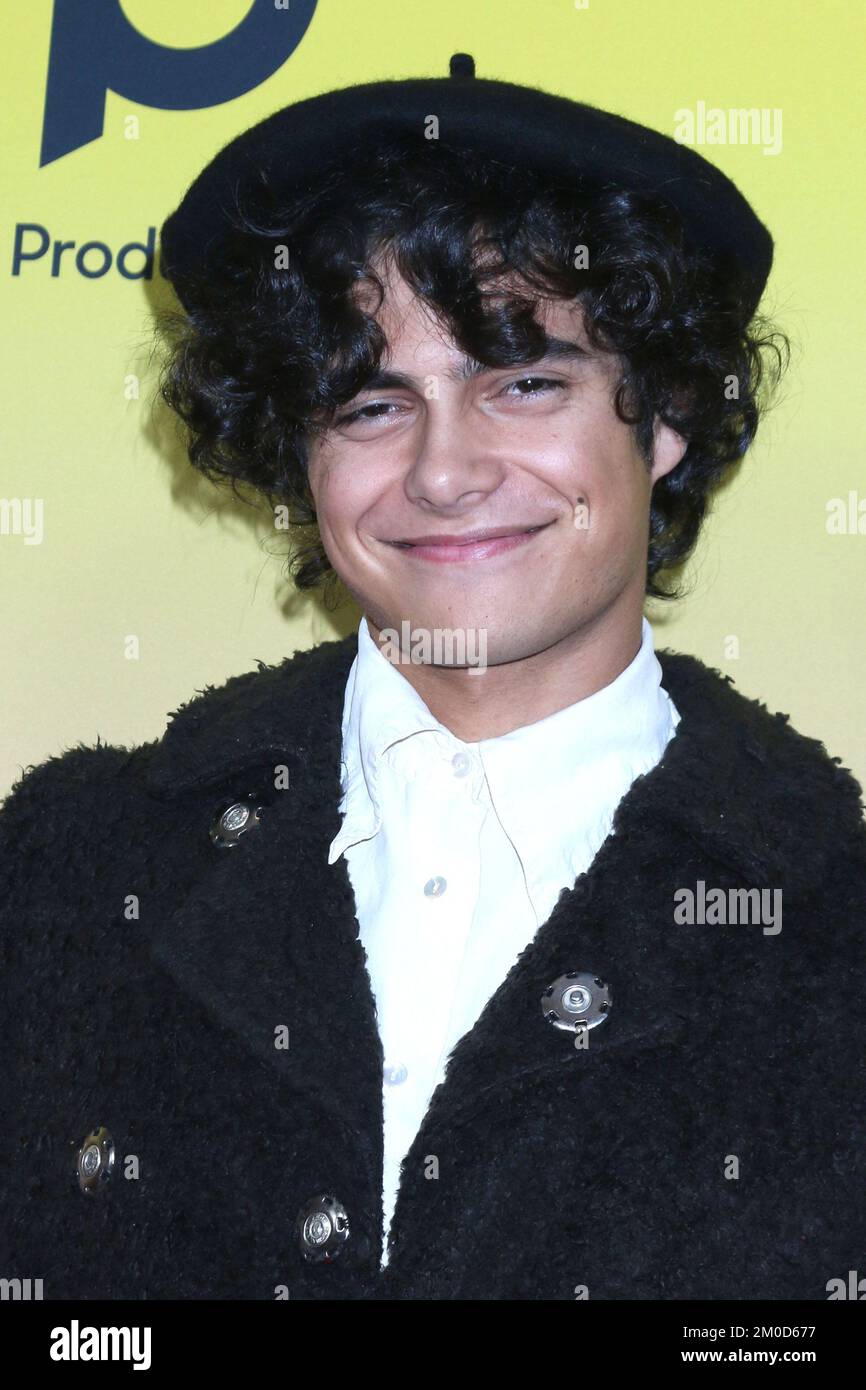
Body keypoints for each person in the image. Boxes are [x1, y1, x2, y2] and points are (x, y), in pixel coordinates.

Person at [2, 54, 864, 1301]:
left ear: (663, 417)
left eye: (521, 382)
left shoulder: (829, 919)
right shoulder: (78, 870)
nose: (444, 471)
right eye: (367, 404)